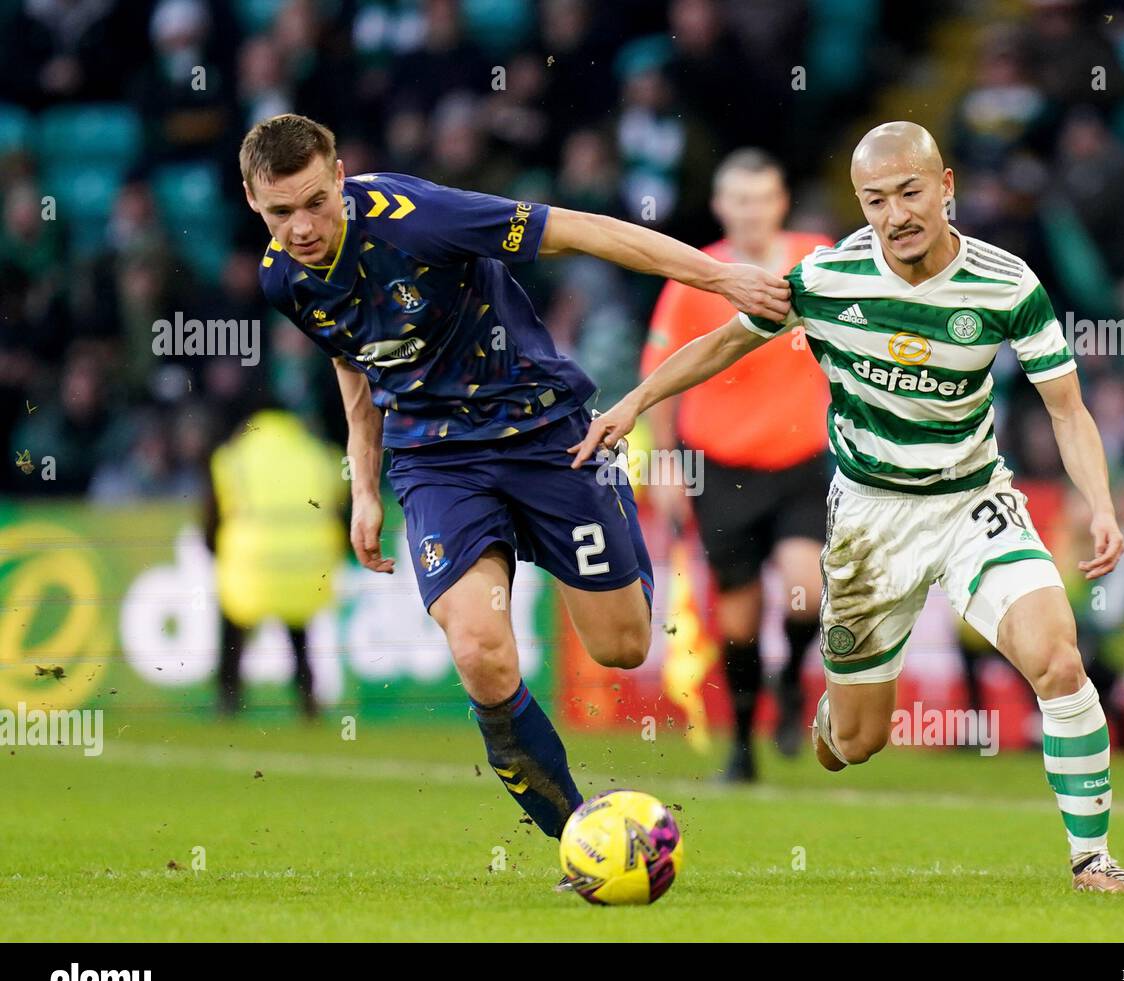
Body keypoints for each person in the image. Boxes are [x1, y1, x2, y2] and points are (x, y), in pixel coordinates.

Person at [572, 121, 1124, 893]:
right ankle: (829, 720)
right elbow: (723, 345)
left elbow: (1067, 409)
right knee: (857, 740)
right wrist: (636, 402)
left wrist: (1101, 504)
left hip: (973, 500)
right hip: (869, 521)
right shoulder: (827, 278)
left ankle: (1093, 860)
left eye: (910, 192)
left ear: (946, 186)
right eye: (875, 200)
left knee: (1058, 657)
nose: (895, 214)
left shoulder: (1008, 283)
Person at [239, 114, 788, 844]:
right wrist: (365, 482)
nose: (302, 227)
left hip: (542, 431)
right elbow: (354, 358)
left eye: (315, 201)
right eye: (281, 212)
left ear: (340, 176)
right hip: (436, 459)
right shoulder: (283, 278)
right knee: (478, 649)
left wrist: (722, 277)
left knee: (622, 646)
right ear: (252, 200)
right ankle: (581, 838)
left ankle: (590, 516)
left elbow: (585, 229)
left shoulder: (423, 220)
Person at [642, 149, 830, 779]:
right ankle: (744, 745)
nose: (752, 211)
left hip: (802, 459)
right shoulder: (696, 278)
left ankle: (792, 681)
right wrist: (665, 466)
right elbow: (660, 375)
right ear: (722, 207)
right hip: (722, 470)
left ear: (781, 203)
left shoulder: (817, 258)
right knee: (740, 616)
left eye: (763, 198)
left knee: (808, 593)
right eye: (739, 200)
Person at [204, 402, 346, 718]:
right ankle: (308, 698)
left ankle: (228, 699)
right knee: (299, 632)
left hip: (252, 561)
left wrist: (212, 547)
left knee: (233, 628)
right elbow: (340, 504)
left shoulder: (235, 454)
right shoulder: (317, 452)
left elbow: (214, 510)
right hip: (307, 560)